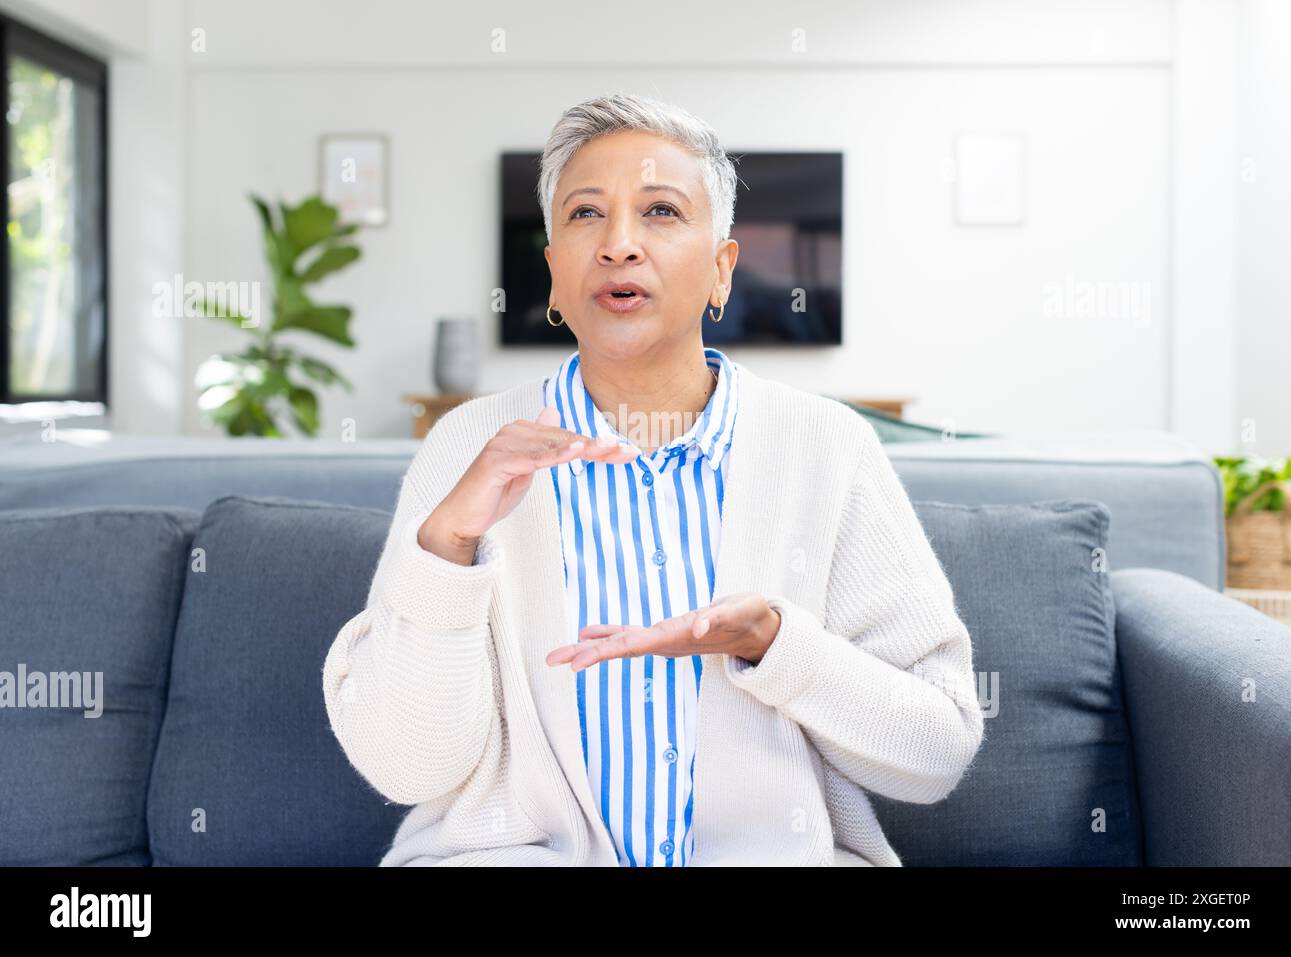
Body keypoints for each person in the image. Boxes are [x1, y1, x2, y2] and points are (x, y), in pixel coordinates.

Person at [321, 92, 985, 866]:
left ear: (721, 269)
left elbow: (936, 750)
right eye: (584, 215)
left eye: (662, 212)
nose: (618, 245)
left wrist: (774, 643)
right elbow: (409, 767)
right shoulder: (467, 445)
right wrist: (446, 547)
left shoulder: (828, 445)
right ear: (555, 277)